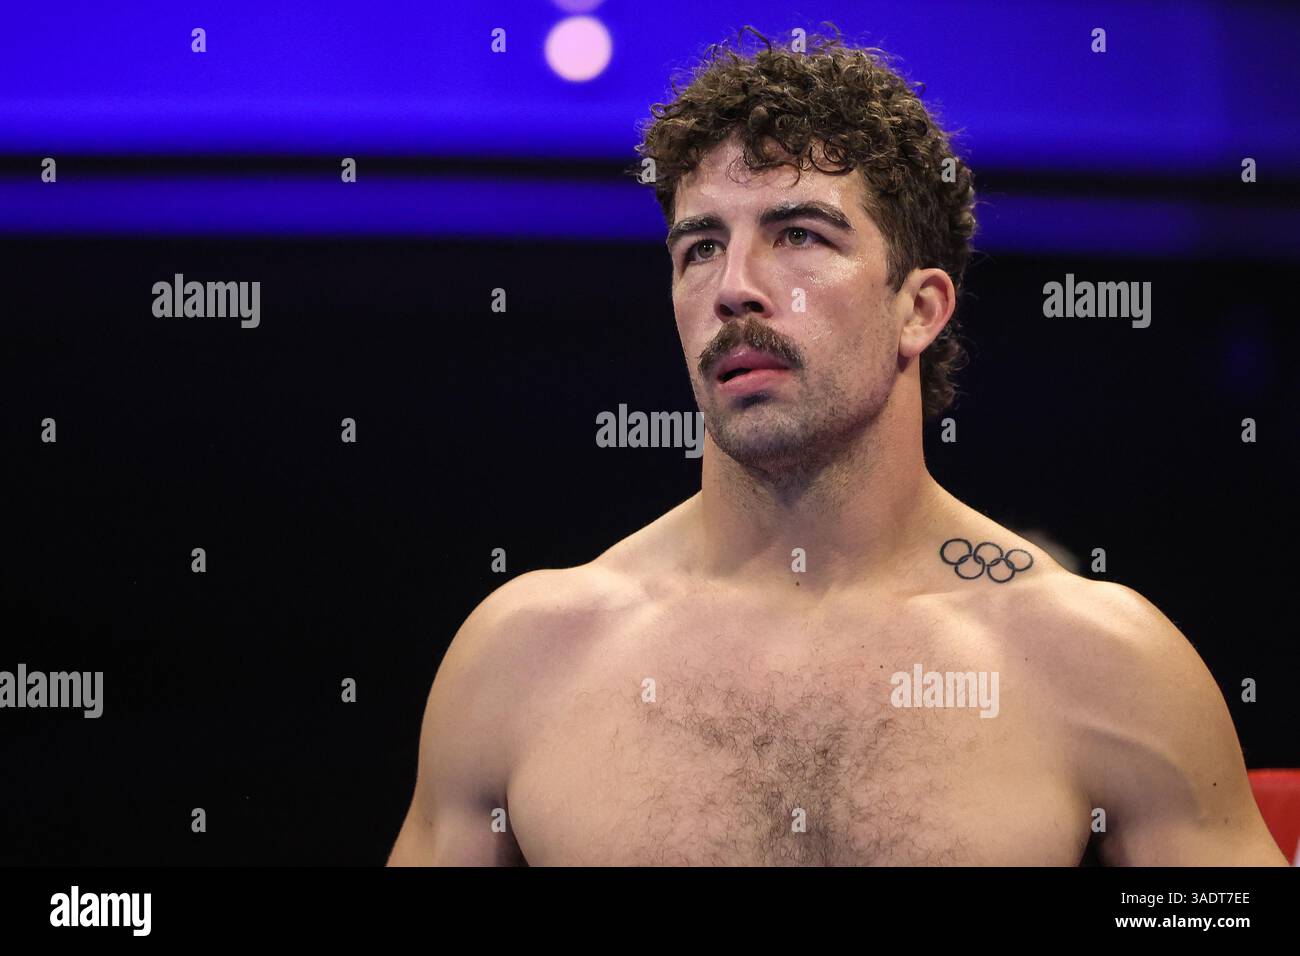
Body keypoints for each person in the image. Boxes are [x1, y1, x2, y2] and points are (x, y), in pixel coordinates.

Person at [388, 28, 1286, 866]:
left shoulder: (1103, 664)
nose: (735, 286)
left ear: (920, 307)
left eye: (799, 236)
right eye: (701, 247)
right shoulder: (523, 659)